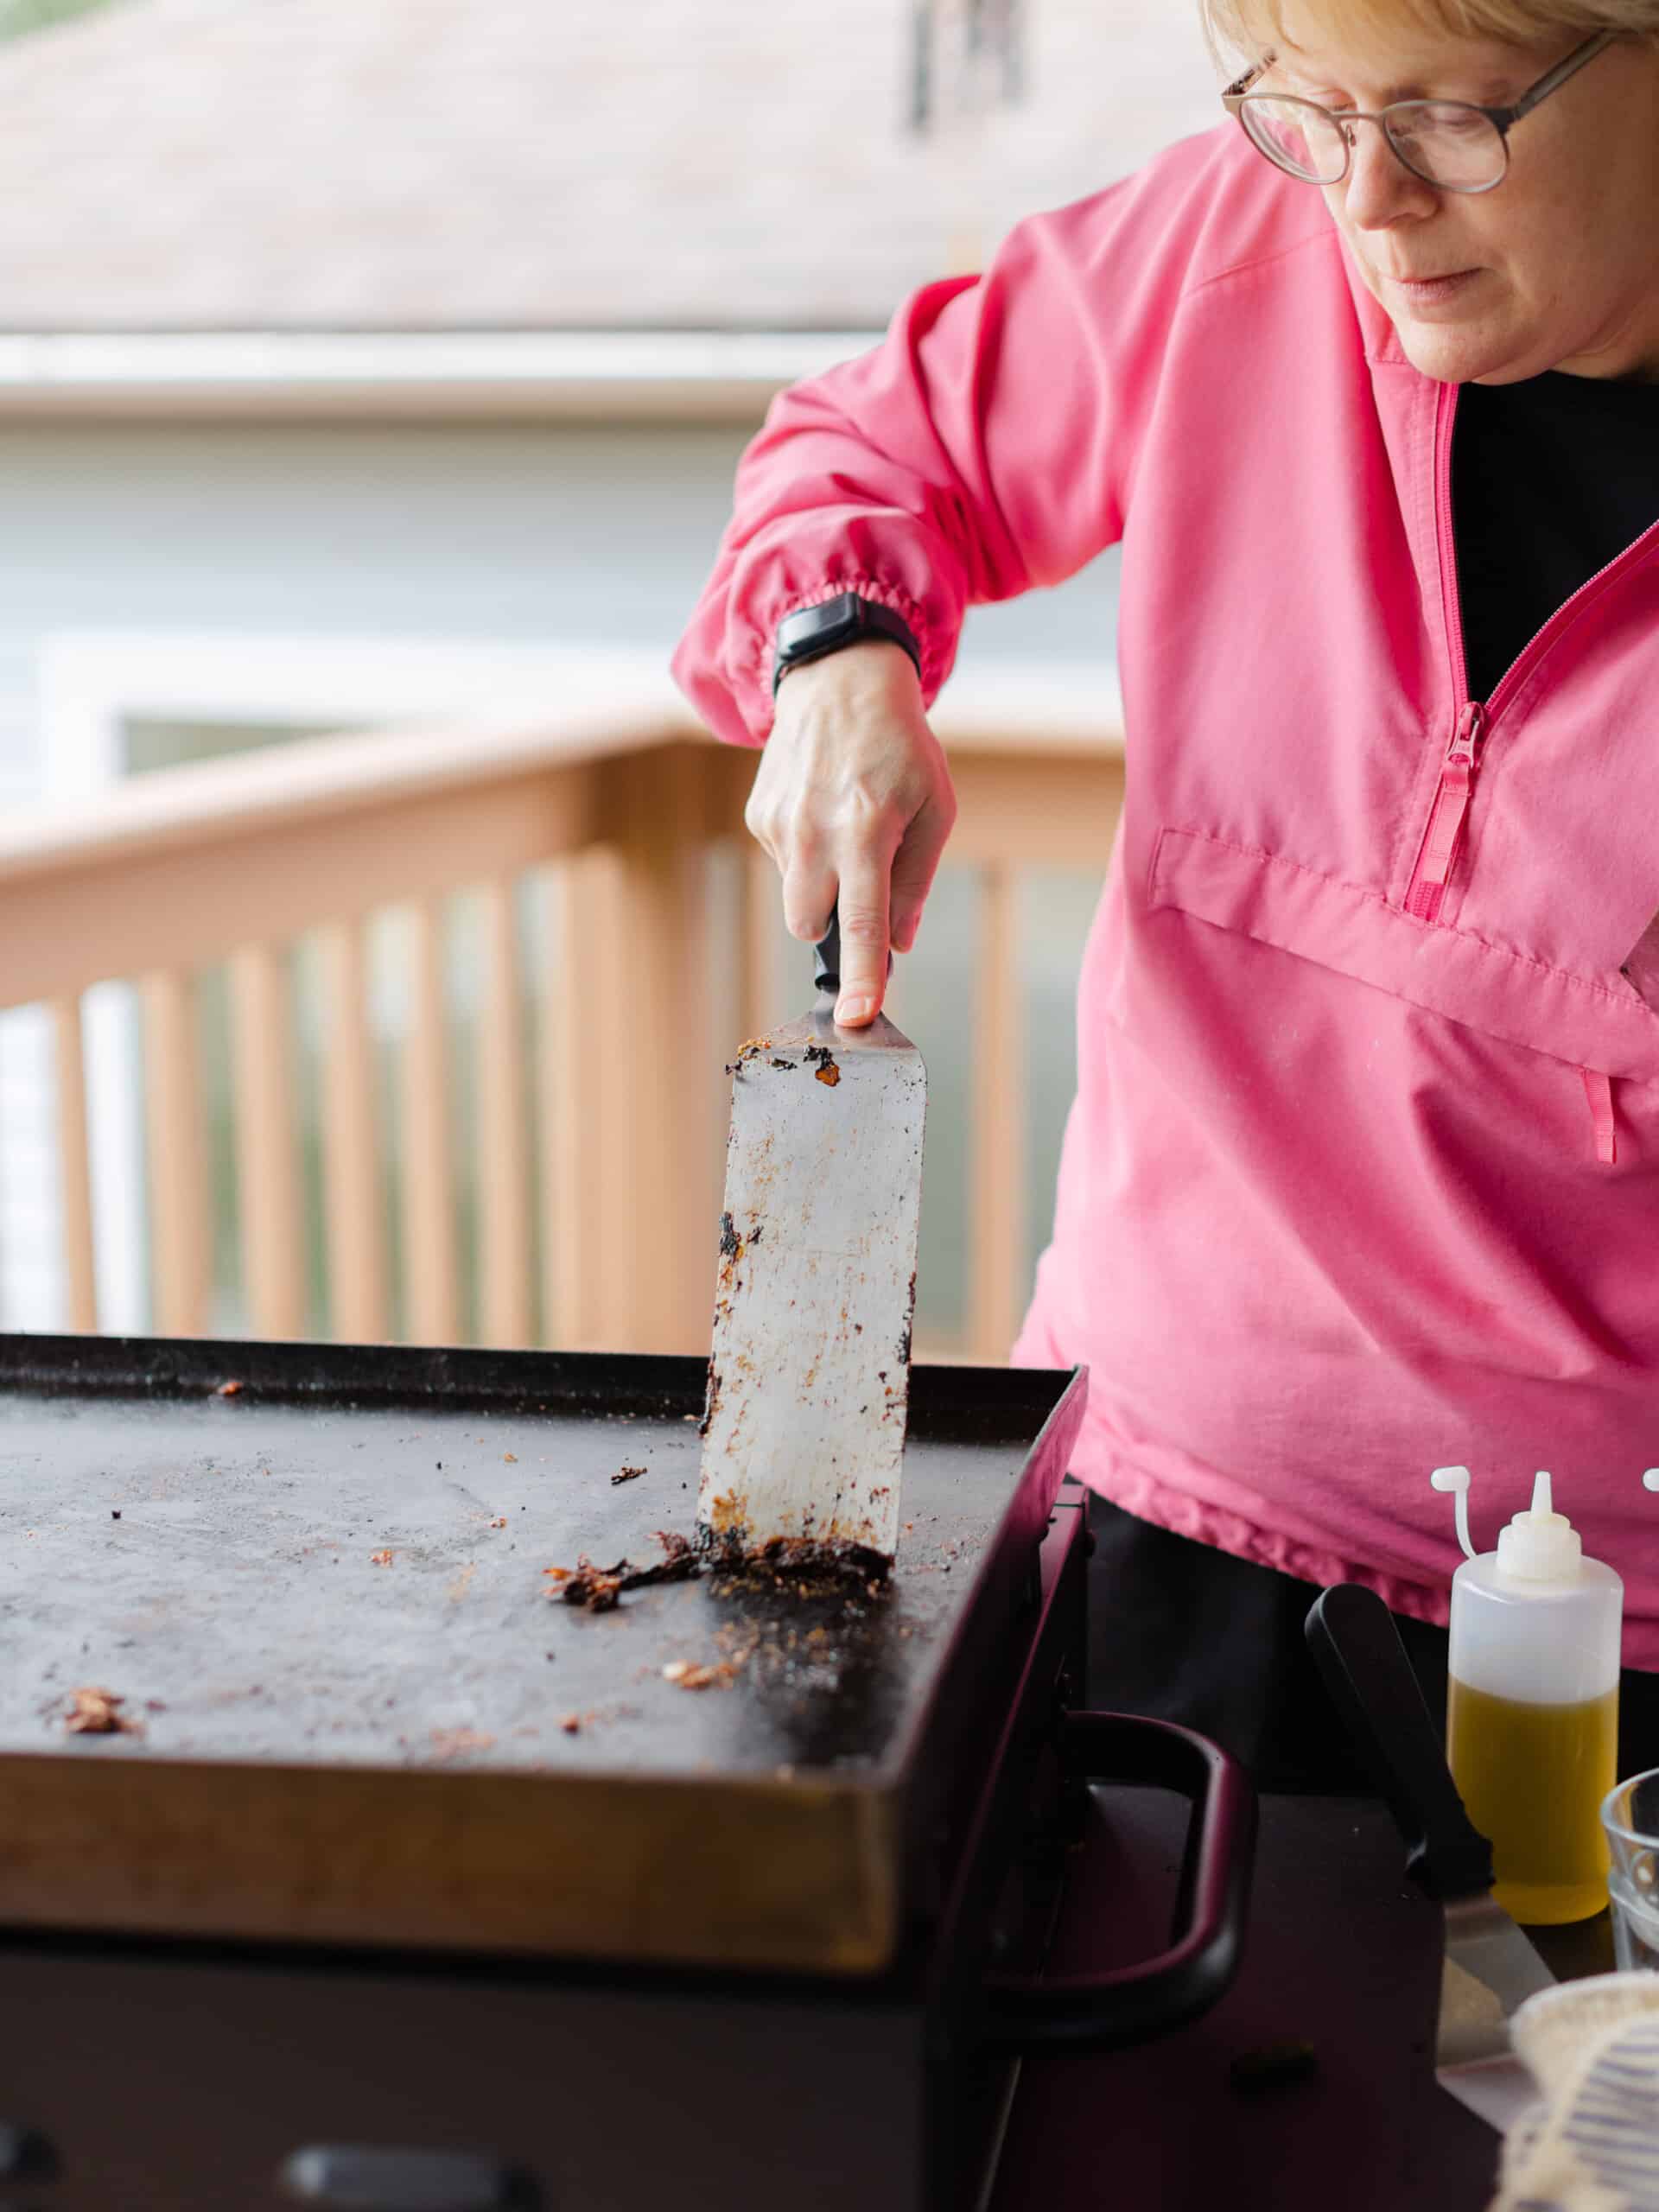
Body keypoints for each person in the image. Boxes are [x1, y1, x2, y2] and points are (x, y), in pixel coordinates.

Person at [672, 0, 1659, 1788]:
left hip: (1593, 1654)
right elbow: (872, 448)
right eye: (1305, 106)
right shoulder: (1233, 243)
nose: (1370, 201)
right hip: (1131, 1521)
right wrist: (836, 649)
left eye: (1451, 118)